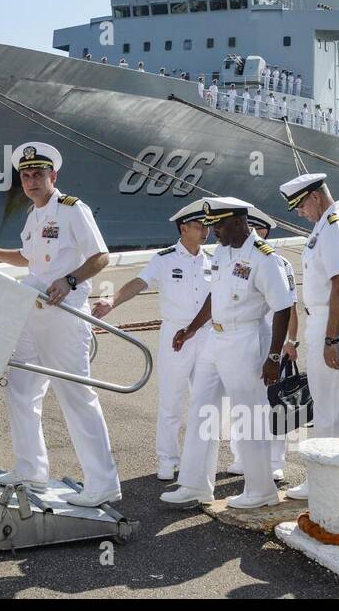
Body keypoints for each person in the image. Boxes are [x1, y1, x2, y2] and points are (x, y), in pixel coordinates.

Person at [0, 143, 121, 507]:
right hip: (32, 312)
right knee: (20, 389)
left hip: (63, 314)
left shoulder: (71, 209)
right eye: (26, 175)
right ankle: (30, 467)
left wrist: (70, 281)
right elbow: (28, 258)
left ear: (54, 176)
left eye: (38, 174)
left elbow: (100, 258)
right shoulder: (33, 215)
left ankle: (103, 483)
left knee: (76, 395)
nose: (31, 181)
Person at [159, 198, 292, 510]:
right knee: (203, 410)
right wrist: (191, 329)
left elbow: (284, 307)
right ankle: (194, 485)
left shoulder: (264, 258)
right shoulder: (222, 251)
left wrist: (273, 357)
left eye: (218, 224)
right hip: (214, 339)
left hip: (246, 338)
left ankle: (261, 489)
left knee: (248, 415)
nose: (213, 231)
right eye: (210, 225)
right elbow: (213, 295)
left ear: (239, 221)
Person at [93, 200, 210, 482]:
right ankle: (168, 459)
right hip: (176, 335)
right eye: (199, 226)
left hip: (207, 335)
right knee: (172, 399)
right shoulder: (165, 259)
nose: (206, 231)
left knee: (206, 402)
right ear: (184, 228)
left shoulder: (214, 260)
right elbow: (139, 283)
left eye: (207, 226)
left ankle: (199, 459)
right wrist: (112, 301)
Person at [280, 172, 339, 500]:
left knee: (327, 406)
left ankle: (324, 481)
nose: (300, 214)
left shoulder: (333, 226)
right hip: (327, 320)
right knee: (336, 400)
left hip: (332, 323)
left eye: (301, 207)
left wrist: (331, 339)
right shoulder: (329, 224)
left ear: (316, 197)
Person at [248, 208, 297, 481]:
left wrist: (290, 341)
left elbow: (291, 308)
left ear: (265, 232)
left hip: (273, 341)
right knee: (244, 402)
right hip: (246, 340)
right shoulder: (237, 259)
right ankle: (243, 457)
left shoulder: (279, 263)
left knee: (276, 401)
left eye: (258, 229)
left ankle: (276, 460)